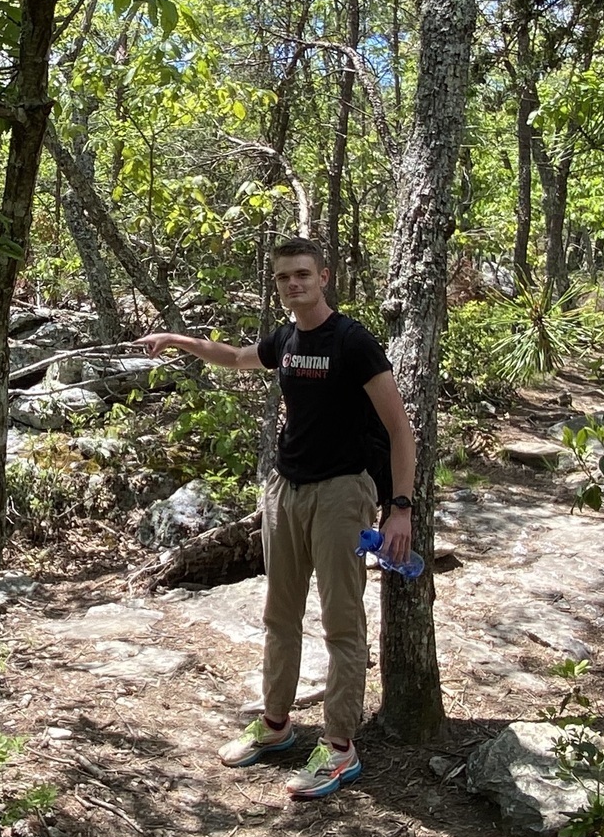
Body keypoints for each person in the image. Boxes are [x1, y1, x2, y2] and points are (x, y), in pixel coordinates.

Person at [134, 237, 417, 800]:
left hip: (341, 493)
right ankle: (275, 726)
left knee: (341, 623)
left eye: (303, 274)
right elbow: (240, 358)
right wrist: (179, 341)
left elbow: (399, 430)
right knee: (279, 615)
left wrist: (399, 509)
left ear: (324, 277)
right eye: (284, 276)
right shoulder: (287, 338)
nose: (294, 284)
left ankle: (339, 748)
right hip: (285, 491)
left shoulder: (354, 342)